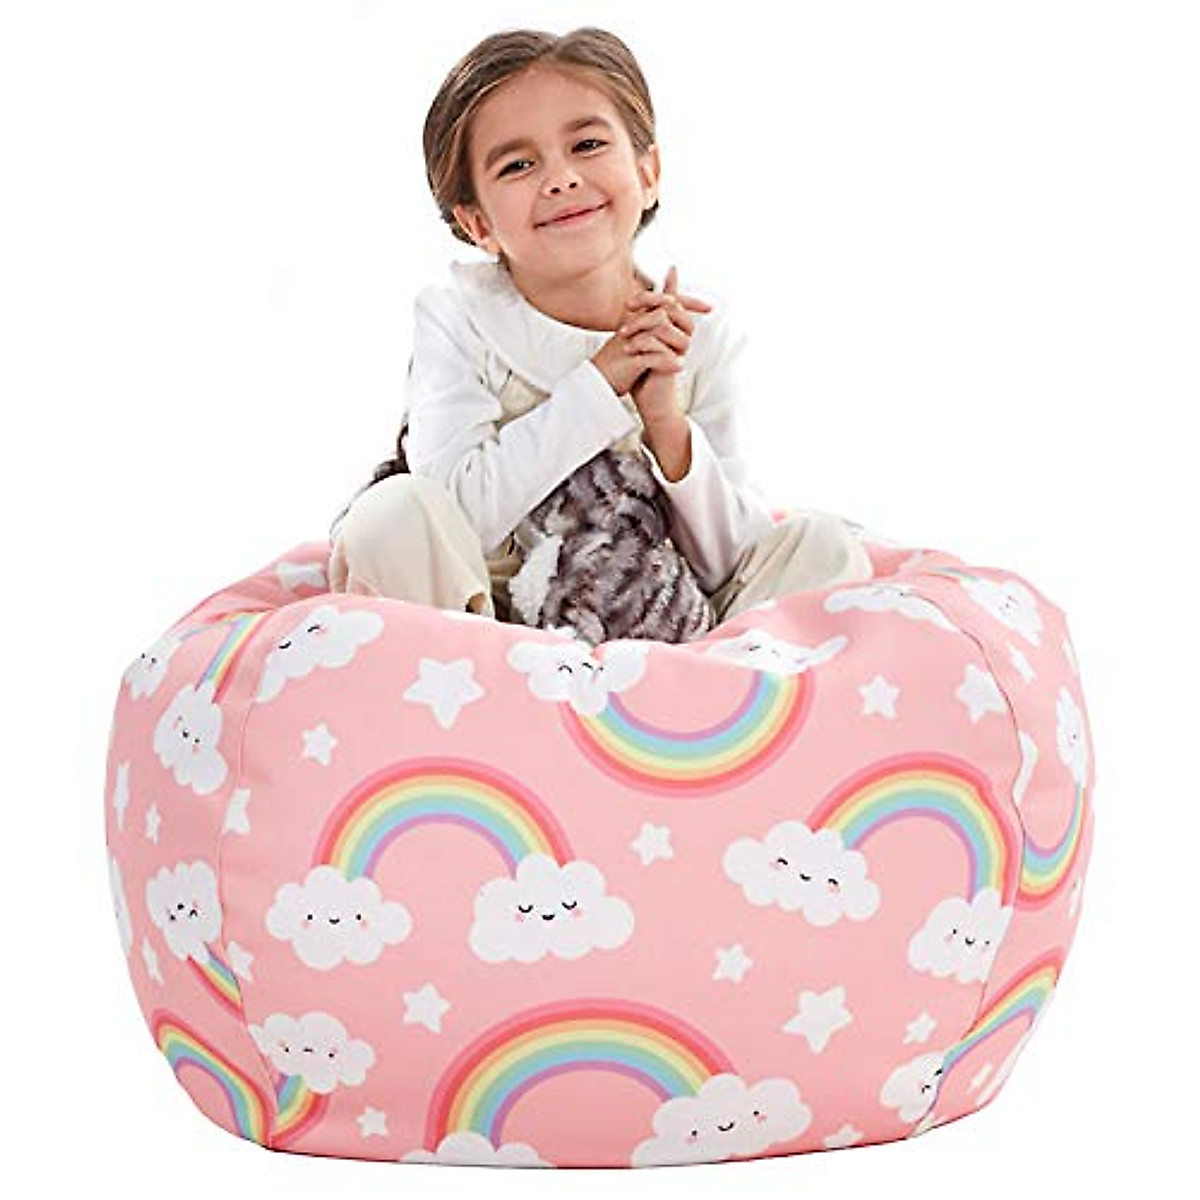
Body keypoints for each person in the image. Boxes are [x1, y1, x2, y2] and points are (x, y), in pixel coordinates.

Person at [328, 26, 872, 634]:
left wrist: (665, 423)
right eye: (518, 164)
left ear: (648, 172)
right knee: (389, 516)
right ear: (478, 223)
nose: (560, 178)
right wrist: (599, 383)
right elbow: (459, 517)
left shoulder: (694, 331)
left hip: (656, 613)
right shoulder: (459, 318)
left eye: (586, 144)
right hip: (492, 629)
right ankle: (492, 690)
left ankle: (701, 689)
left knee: (822, 546)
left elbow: (728, 561)